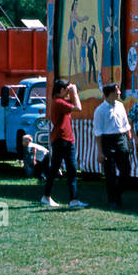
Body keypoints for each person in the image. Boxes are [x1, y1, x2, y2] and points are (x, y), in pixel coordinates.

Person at [42, 79, 87, 209]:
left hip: (67, 139)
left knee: (71, 169)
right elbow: (78, 107)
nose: (68, 93)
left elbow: (73, 105)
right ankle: (46, 196)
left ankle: (73, 199)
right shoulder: (58, 102)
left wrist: (71, 92)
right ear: (61, 90)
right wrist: (74, 92)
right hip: (60, 139)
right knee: (55, 168)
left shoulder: (60, 102)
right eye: (66, 90)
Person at [94, 82, 133, 209]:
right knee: (110, 172)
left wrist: (129, 140)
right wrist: (100, 152)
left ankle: (117, 193)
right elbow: (98, 133)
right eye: (117, 91)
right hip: (107, 141)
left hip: (120, 139)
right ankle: (112, 200)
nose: (120, 92)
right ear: (110, 93)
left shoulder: (121, 106)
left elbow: (126, 124)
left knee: (126, 170)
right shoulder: (100, 111)